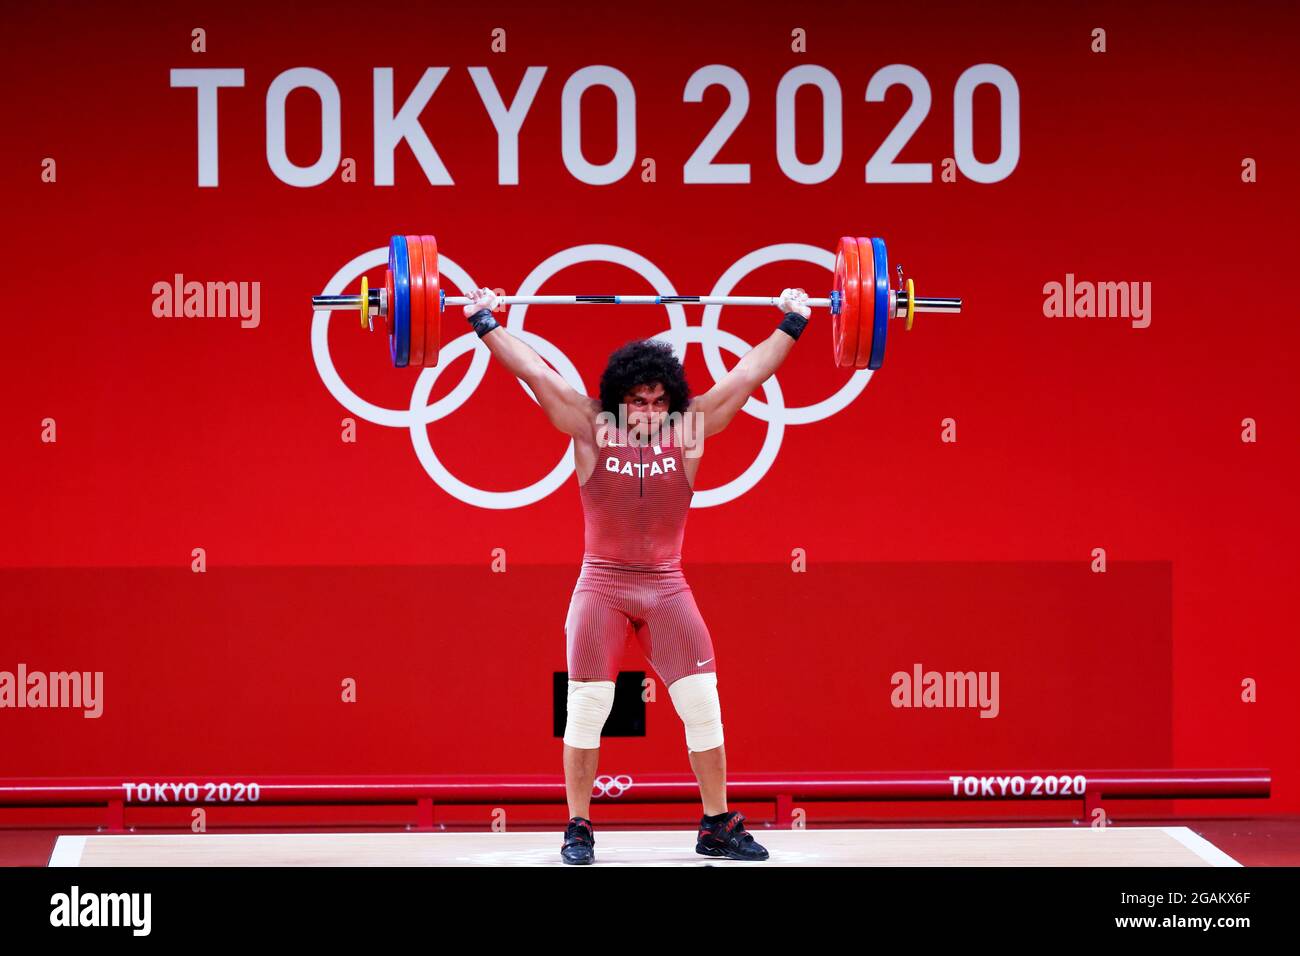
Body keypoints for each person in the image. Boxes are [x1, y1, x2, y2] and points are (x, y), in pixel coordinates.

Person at [462, 286, 813, 864]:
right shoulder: (590, 426)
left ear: (670, 401)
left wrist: (793, 321)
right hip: (601, 584)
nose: (647, 411)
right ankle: (578, 826)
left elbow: (748, 375)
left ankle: (716, 824)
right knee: (588, 707)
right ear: (617, 401)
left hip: (666, 585)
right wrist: (482, 318)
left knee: (702, 705)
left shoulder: (691, 429)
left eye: (656, 401)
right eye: (636, 401)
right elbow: (534, 372)